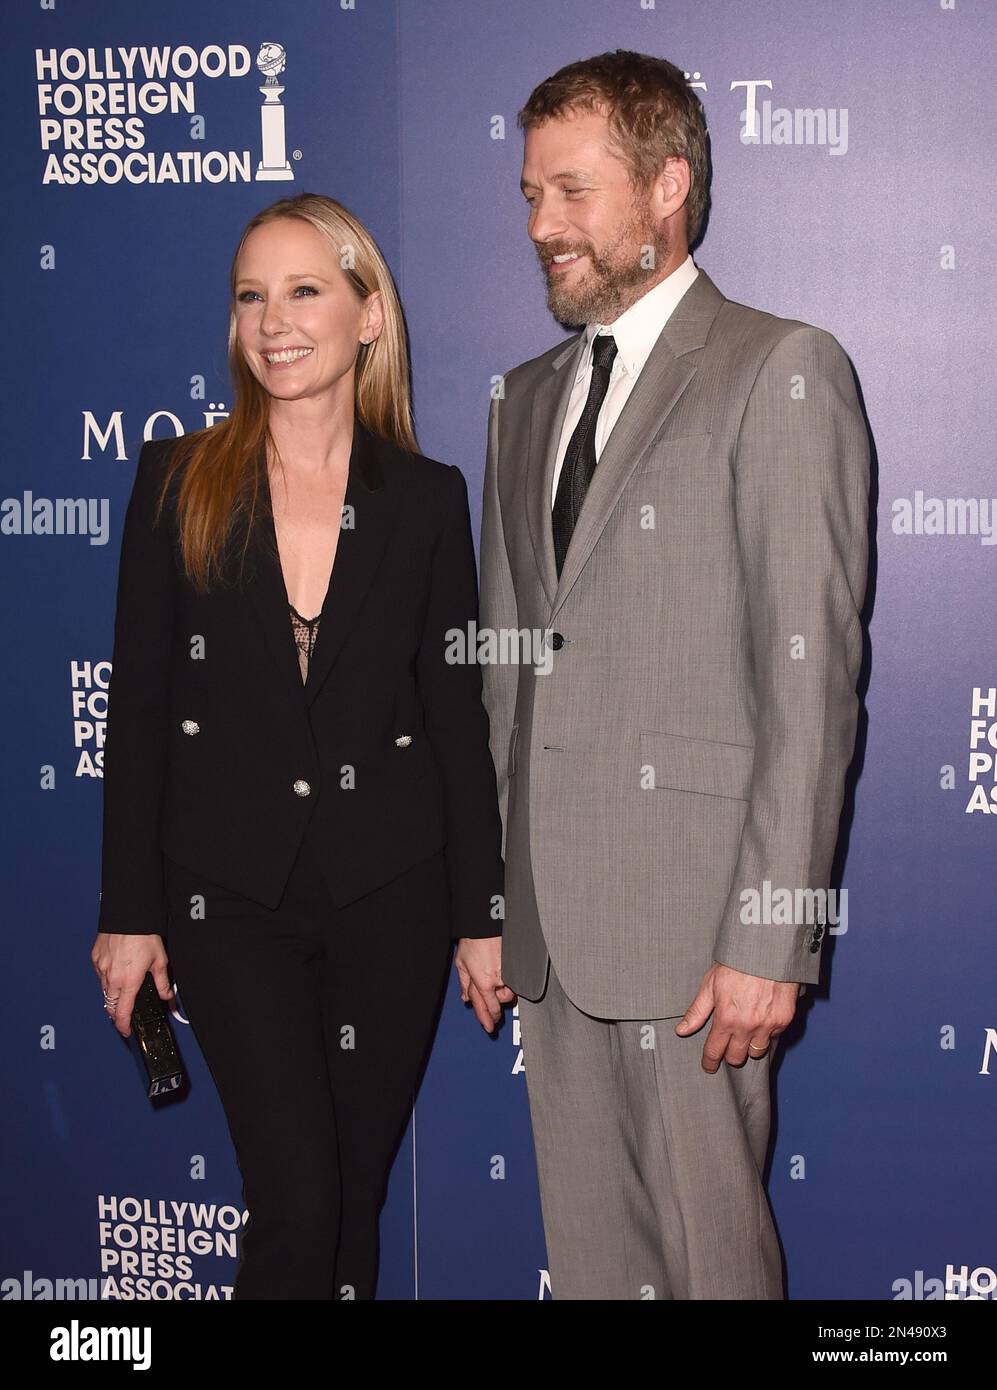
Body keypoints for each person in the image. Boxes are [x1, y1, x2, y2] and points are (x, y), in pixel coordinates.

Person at [478, 51, 870, 1299]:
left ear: (667, 189)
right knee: (592, 1269)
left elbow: (809, 676)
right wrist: (495, 899)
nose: (541, 224)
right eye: (531, 194)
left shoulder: (780, 367)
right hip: (551, 934)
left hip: (703, 935)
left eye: (572, 191)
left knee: (713, 1267)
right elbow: (509, 677)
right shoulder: (522, 401)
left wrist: (775, 932)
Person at [90, 192, 507, 1301]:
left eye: (305, 289)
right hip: (230, 902)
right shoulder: (178, 481)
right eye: (250, 296)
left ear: (367, 314)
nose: (274, 319)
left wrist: (482, 916)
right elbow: (136, 714)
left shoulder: (425, 501)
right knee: (298, 1199)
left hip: (393, 897)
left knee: (353, 1202)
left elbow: (456, 720)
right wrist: (127, 913)